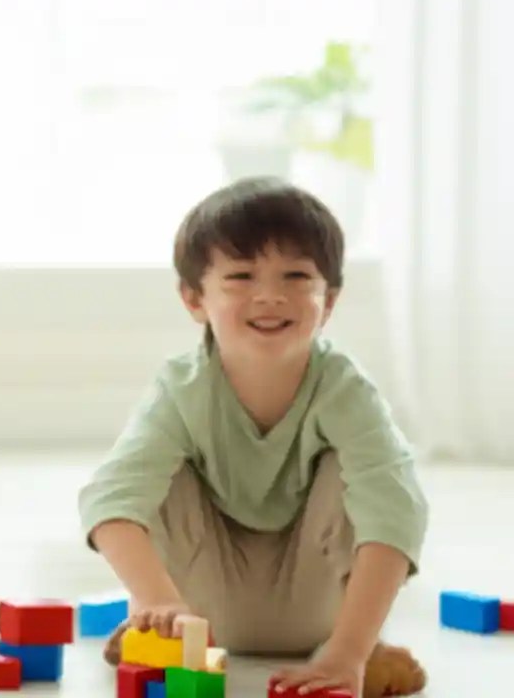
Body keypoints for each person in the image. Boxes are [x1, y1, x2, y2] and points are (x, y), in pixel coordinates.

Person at [76, 177, 429, 698]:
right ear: (194, 298)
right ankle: (158, 635)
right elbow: (110, 501)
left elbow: (396, 514)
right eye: (241, 276)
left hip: (319, 615)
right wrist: (160, 601)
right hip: (199, 615)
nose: (270, 296)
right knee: (153, 473)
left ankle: (356, 647)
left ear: (328, 301)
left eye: (296, 276)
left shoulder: (345, 389)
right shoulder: (181, 388)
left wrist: (347, 651)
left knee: (371, 480)